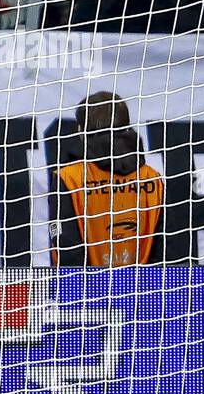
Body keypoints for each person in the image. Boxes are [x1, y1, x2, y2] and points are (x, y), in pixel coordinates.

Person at [53, 92, 167, 268]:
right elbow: (164, 247)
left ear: (81, 130)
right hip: (144, 289)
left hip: (86, 290)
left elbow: (65, 246)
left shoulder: (68, 178)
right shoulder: (153, 178)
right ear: (127, 127)